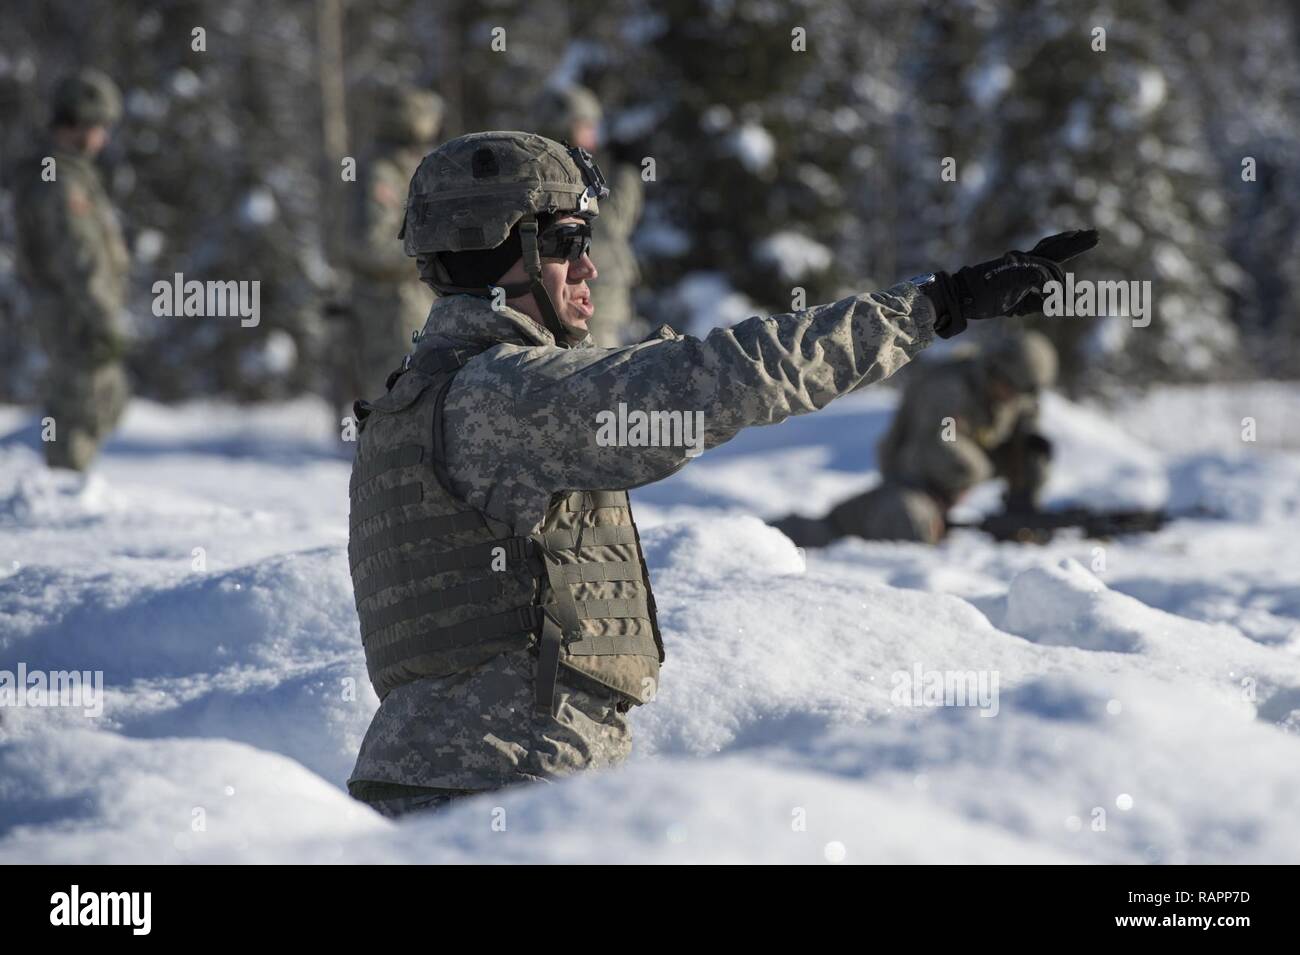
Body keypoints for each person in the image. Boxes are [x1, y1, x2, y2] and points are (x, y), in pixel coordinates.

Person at [343, 129, 1097, 817]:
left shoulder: (413, 402)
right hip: (507, 786)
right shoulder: (505, 395)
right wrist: (940, 304)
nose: (590, 266)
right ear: (493, 246)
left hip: (436, 789)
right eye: (568, 240)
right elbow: (731, 375)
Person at [772, 331, 1060, 546]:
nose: (1012, 398)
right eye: (1010, 387)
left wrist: (1028, 483)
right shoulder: (947, 387)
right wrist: (990, 467)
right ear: (995, 371)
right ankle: (756, 539)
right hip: (910, 488)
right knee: (846, 529)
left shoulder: (1016, 395)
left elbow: (1026, 432)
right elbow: (941, 448)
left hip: (946, 499)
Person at [14, 69, 130, 472]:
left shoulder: (59, 173)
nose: (104, 139)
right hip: (76, 316)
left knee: (88, 404)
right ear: (81, 125)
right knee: (78, 409)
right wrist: (102, 320)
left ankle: (66, 490)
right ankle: (65, 498)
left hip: (71, 313)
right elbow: (81, 258)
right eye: (100, 127)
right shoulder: (61, 181)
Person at [340, 83, 444, 403]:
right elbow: (371, 243)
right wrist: (433, 252)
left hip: (412, 300)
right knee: (397, 395)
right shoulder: (382, 169)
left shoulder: (407, 163)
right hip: (390, 305)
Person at [532, 84, 644, 346]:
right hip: (590, 293)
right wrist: (628, 175)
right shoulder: (560, 174)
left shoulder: (567, 167)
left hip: (593, 291)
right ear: (564, 127)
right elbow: (609, 224)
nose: (593, 137)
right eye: (585, 126)